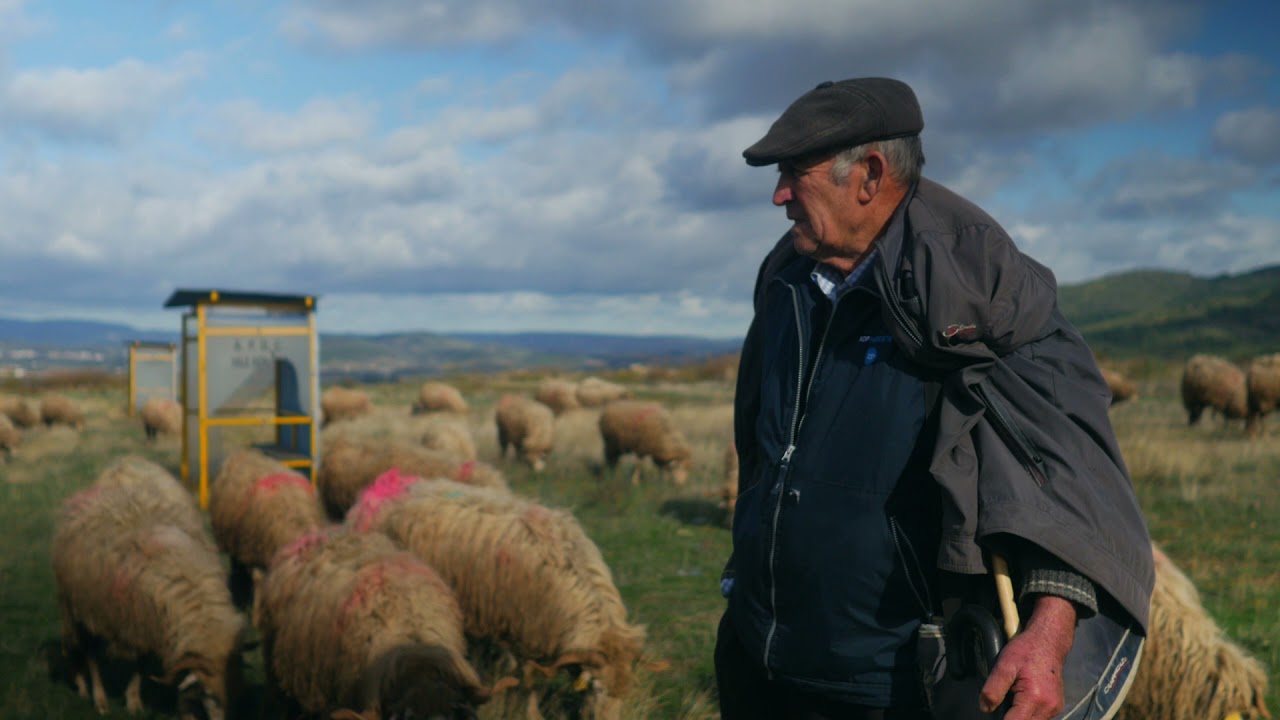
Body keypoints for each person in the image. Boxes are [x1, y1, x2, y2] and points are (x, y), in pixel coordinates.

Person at [716, 77, 1155, 720]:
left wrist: (1048, 632)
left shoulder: (974, 284)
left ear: (868, 174)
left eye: (793, 173)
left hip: (890, 684)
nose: (779, 195)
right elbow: (760, 446)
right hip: (762, 658)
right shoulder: (786, 277)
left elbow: (1068, 469)